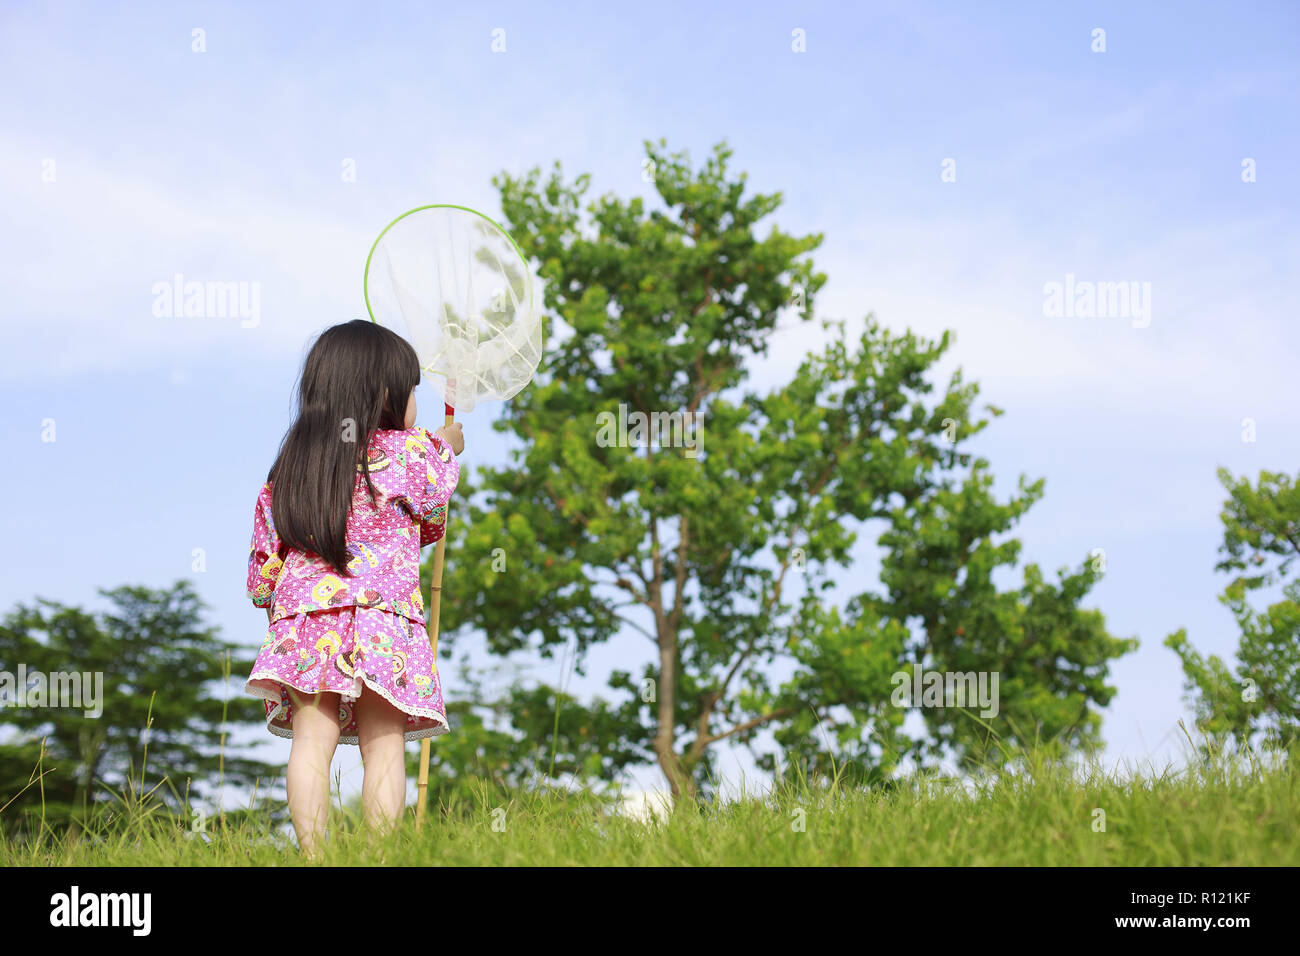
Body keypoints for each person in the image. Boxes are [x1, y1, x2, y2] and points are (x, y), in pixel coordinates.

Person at [243, 319, 464, 859]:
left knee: (310, 745)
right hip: (384, 621)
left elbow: (261, 577)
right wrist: (448, 445)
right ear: (385, 391)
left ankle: (314, 857)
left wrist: (287, 602)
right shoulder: (412, 452)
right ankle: (380, 857)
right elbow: (432, 513)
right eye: (413, 388)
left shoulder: (292, 464)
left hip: (305, 623)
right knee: (384, 744)